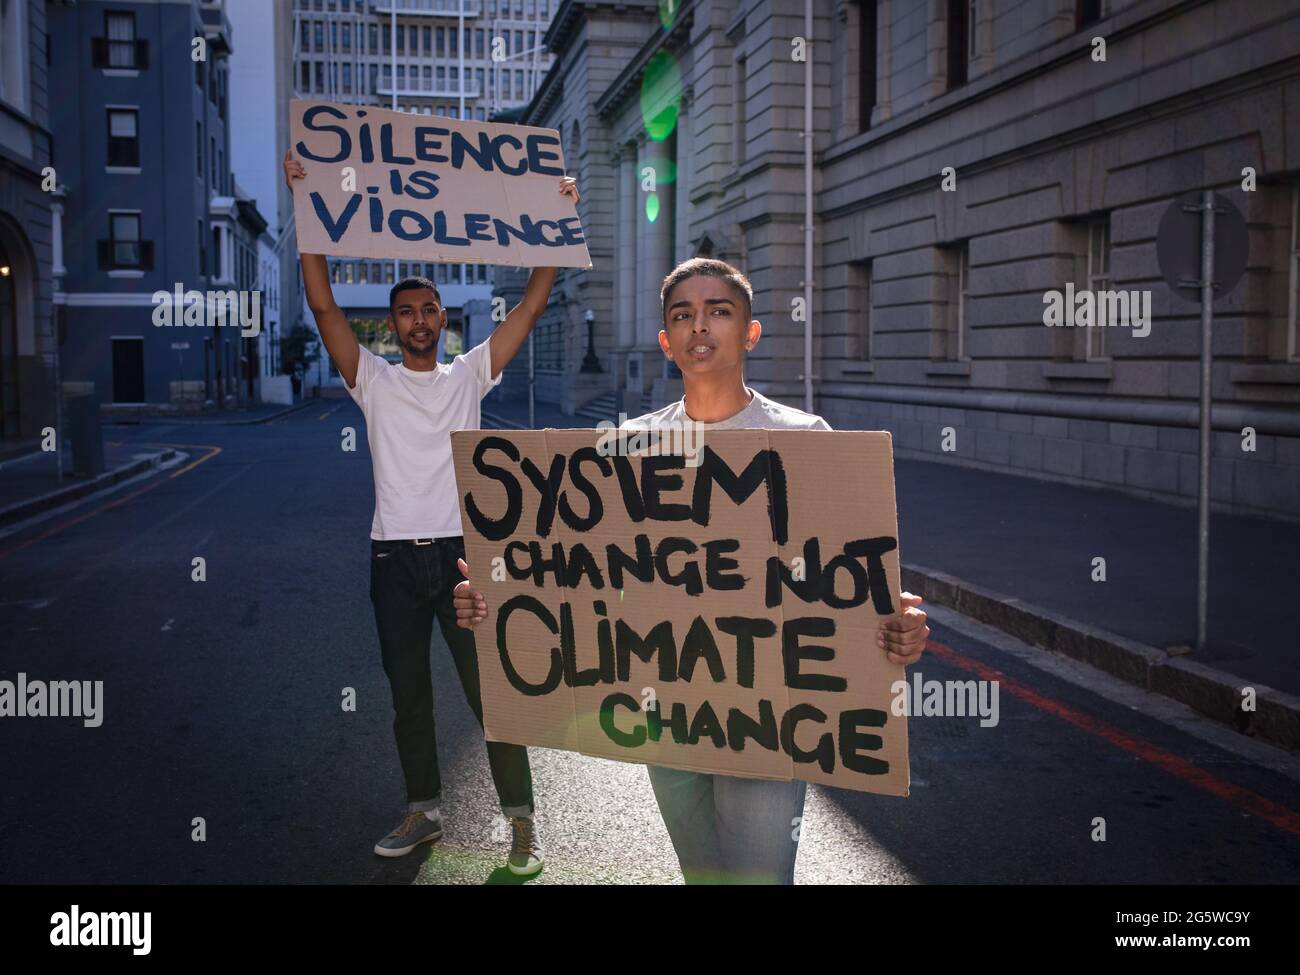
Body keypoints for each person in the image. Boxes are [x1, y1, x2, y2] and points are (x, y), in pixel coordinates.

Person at [452, 257, 929, 884]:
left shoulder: (805, 437)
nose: (698, 325)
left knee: (757, 876)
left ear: (751, 333)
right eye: (683, 315)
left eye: (718, 311)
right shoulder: (631, 448)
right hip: (669, 715)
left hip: (768, 720)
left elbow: (841, 580)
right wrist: (496, 597)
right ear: (666, 341)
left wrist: (897, 625)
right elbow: (583, 576)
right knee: (701, 874)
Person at [283, 150, 580, 876]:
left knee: (494, 696)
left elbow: (535, 305)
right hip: (391, 558)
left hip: (461, 558)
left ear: (443, 317)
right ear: (392, 324)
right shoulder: (372, 379)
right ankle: (424, 810)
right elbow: (321, 303)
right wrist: (308, 203)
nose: (418, 320)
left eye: (428, 310)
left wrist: (559, 224)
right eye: (406, 312)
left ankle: (522, 823)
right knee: (408, 696)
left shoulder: (471, 372)